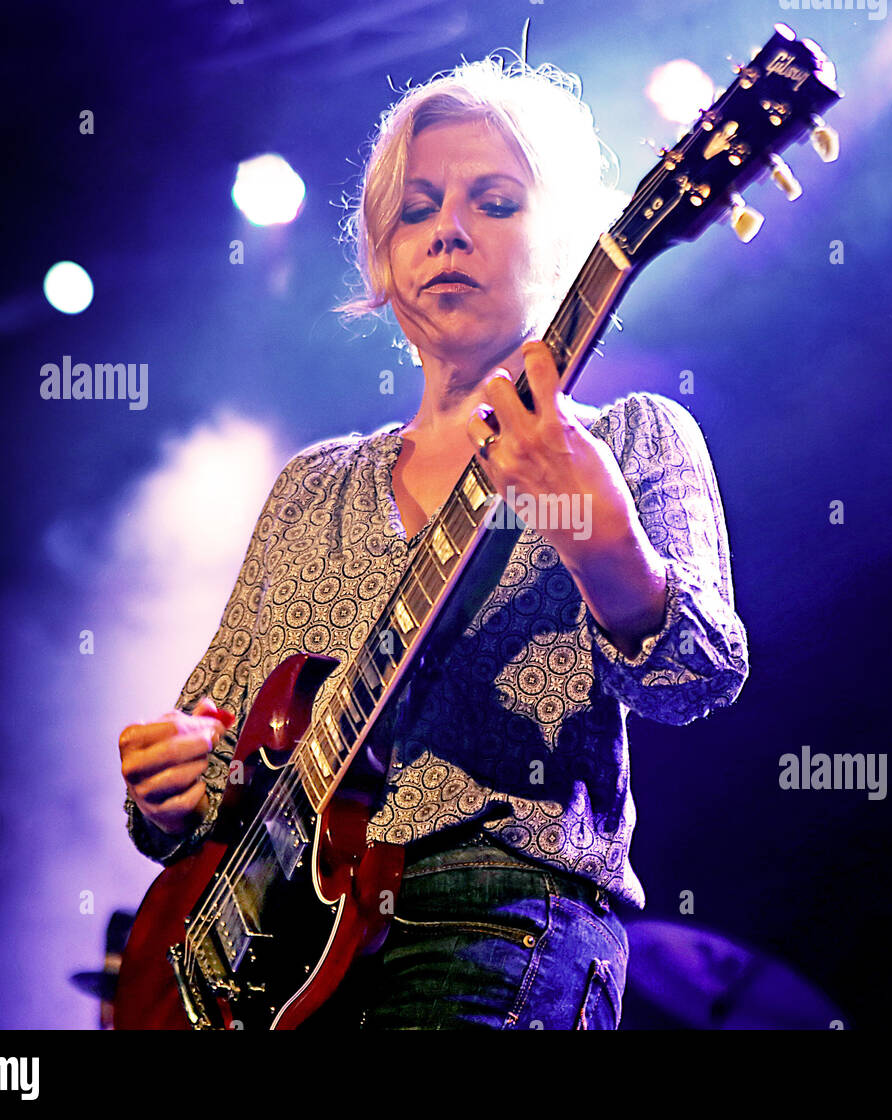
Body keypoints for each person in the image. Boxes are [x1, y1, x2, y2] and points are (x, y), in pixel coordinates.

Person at [118, 54, 748, 1030]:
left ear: (565, 242)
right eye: (416, 209)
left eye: (494, 201)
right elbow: (222, 736)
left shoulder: (630, 437)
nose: (447, 228)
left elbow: (699, 677)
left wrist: (600, 533)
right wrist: (179, 780)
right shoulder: (311, 485)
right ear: (379, 256)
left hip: (497, 915)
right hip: (274, 958)